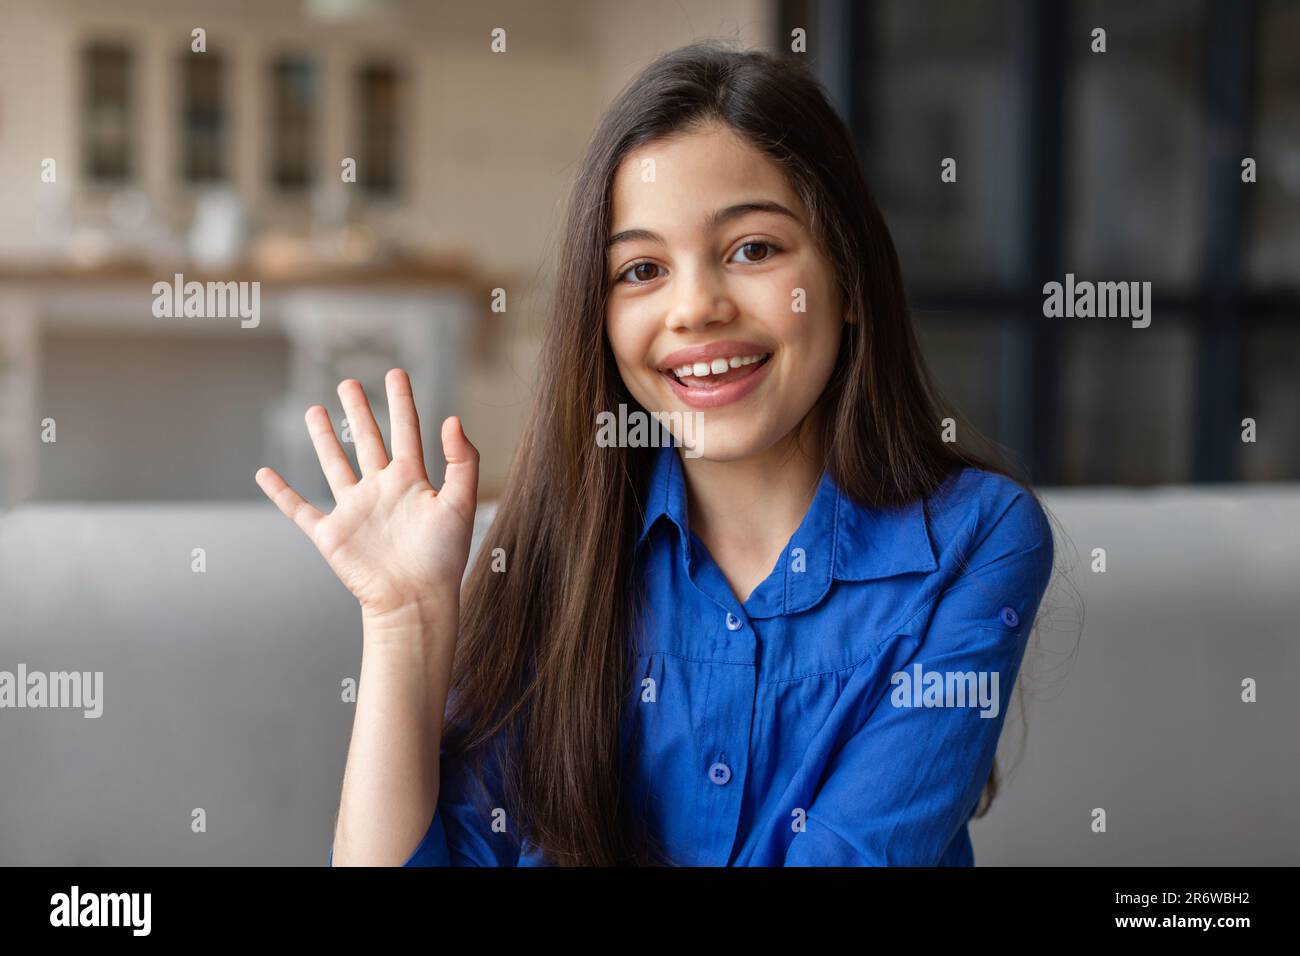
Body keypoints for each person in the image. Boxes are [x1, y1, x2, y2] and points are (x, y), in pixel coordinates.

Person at [255, 42, 1056, 867]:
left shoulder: (978, 541)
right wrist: (406, 623)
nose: (695, 308)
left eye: (754, 249)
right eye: (641, 269)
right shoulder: (555, 550)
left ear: (849, 278)